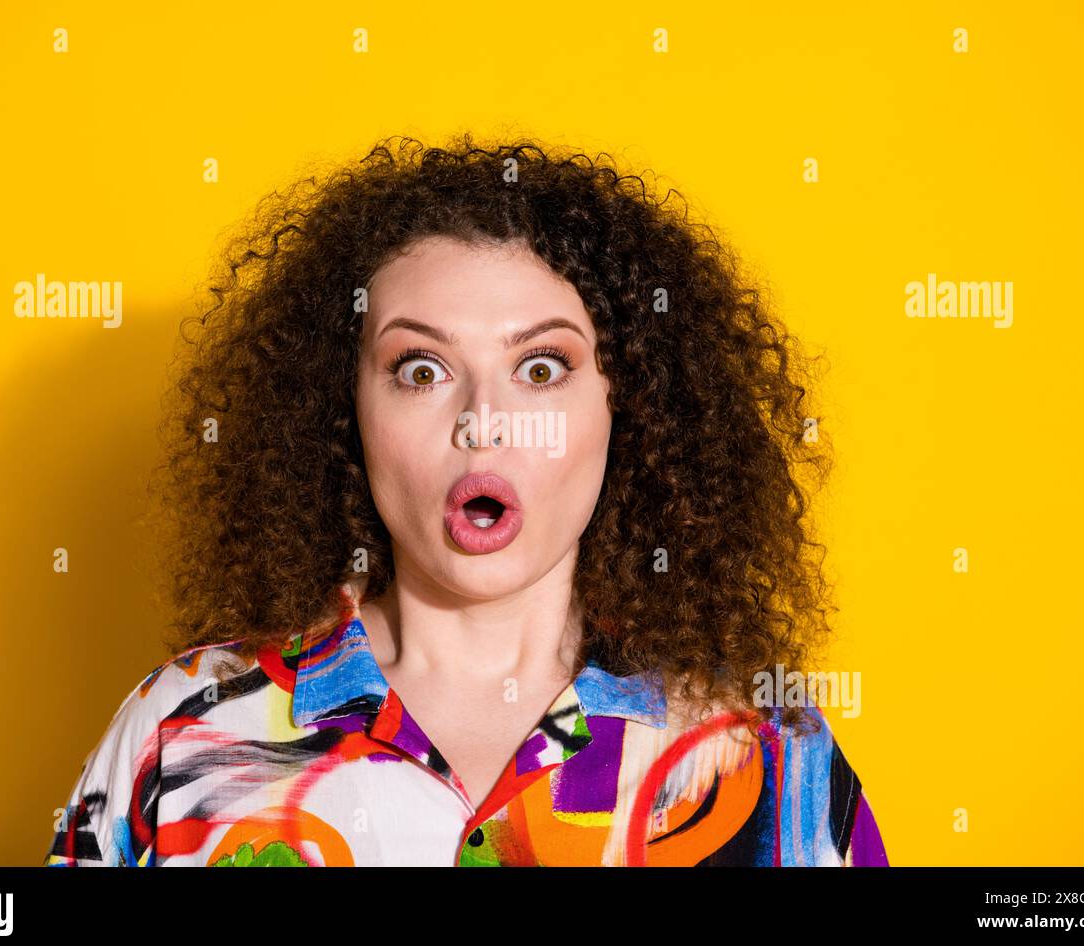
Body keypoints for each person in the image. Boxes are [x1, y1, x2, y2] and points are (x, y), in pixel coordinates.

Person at [44, 134, 888, 866]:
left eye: (541, 368)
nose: (483, 424)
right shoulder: (185, 732)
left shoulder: (767, 755)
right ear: (347, 412)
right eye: (421, 371)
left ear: (625, 406)